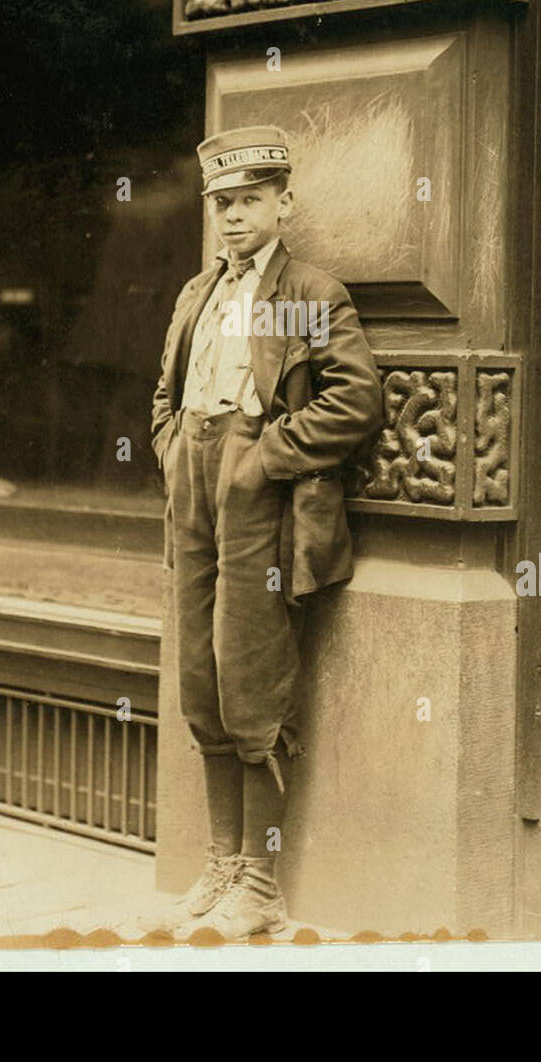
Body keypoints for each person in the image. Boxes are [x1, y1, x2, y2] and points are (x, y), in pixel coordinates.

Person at [149, 125, 383, 939]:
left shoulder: (314, 294)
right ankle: (219, 863)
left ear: (284, 204)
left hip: (264, 499)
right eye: (221, 203)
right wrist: (177, 448)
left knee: (253, 683)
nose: (232, 217)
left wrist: (267, 455)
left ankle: (260, 882)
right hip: (194, 491)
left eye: (249, 201)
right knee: (200, 680)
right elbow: (162, 393)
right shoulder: (196, 293)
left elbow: (356, 403)